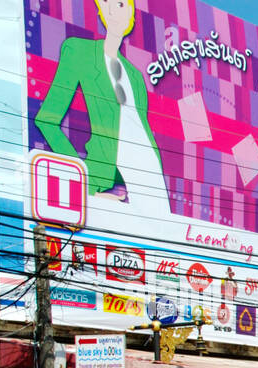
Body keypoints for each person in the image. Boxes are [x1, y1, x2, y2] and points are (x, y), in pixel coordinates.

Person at [34, 0, 170, 213]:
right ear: (100, 9)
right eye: (105, 2)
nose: (112, 9)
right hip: (105, 180)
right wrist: (84, 182)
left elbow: (139, 130)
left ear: (131, 15)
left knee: (163, 242)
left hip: (150, 177)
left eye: (121, 4)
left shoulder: (135, 76)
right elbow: (46, 120)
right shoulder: (79, 51)